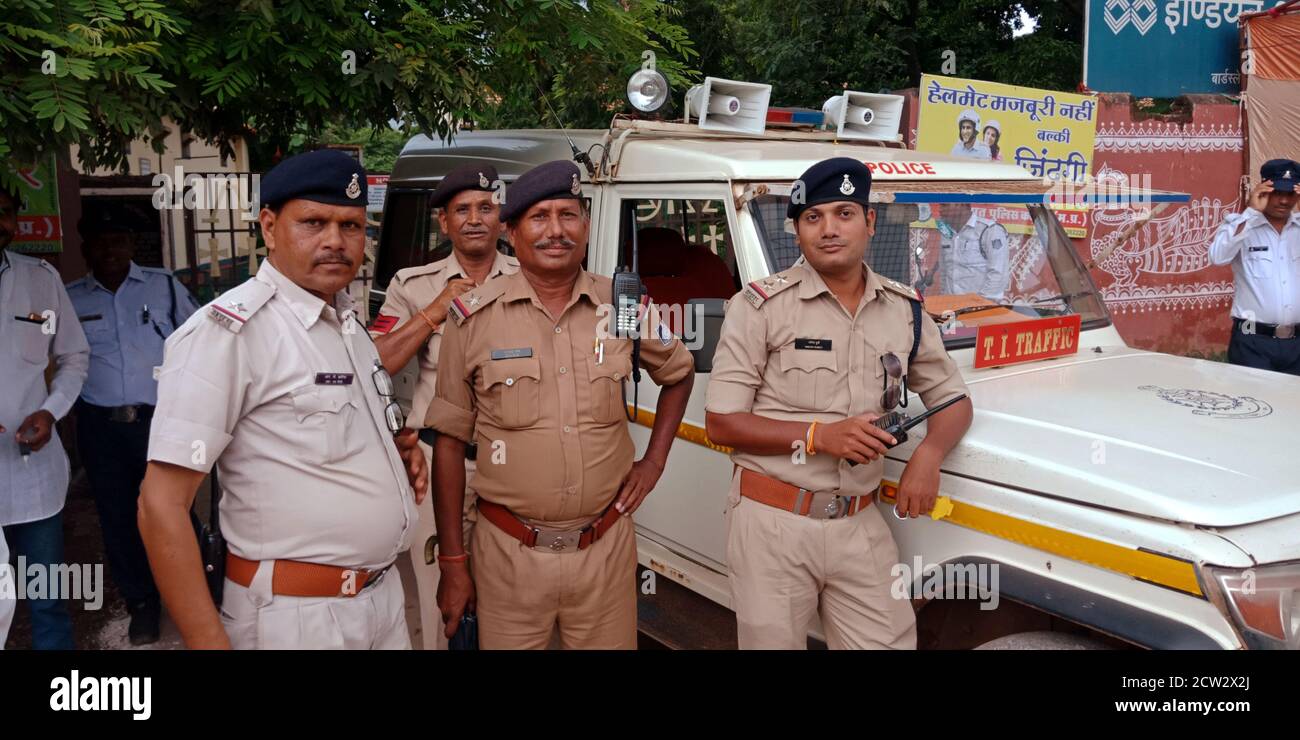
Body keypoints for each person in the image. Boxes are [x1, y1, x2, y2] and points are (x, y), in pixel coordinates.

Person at [138, 150, 427, 649]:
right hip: (296, 620)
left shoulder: (346, 324)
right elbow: (160, 505)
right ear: (269, 227)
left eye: (352, 226)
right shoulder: (228, 334)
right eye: (313, 222)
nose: (335, 241)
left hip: (379, 602)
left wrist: (391, 455)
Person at [425, 160, 695, 649]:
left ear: (586, 225)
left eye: (568, 216)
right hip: (508, 553)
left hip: (605, 552)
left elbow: (679, 372)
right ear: (511, 231)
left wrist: (653, 463)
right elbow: (448, 442)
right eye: (539, 217)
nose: (556, 231)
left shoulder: (622, 306)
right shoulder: (471, 317)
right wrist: (453, 563)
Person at [704, 158, 973, 649]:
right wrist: (818, 436)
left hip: (860, 522)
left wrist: (929, 455)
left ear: (869, 222)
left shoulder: (903, 308)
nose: (829, 229)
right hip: (775, 522)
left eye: (845, 214)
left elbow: (953, 397)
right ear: (797, 230)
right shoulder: (761, 306)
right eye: (814, 217)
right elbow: (721, 423)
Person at [370, 163, 518, 650]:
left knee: (511, 596)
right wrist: (437, 309)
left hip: (513, 461)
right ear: (444, 223)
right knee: (442, 599)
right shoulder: (413, 284)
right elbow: (377, 363)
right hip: (436, 461)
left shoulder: (529, 277)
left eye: (486, 208)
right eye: (462, 210)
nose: (475, 219)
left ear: (501, 217)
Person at [65, 202, 201, 645]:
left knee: (175, 512)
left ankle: (196, 596)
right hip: (100, 427)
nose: (111, 249)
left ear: (131, 245)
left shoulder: (163, 287)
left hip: (158, 423)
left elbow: (198, 340)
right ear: (87, 248)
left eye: (119, 240)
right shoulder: (70, 297)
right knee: (118, 519)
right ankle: (142, 604)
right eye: (101, 242)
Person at [0, 185, 90, 650]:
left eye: (5, 212)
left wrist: (51, 412)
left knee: (46, 600)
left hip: (32, 474)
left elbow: (73, 356)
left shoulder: (40, 280)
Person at [1209, 158, 1300, 374]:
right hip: (1252, 341)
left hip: (1297, 343)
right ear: (1263, 191)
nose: (1284, 201)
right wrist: (1250, 213)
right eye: (1276, 192)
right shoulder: (1241, 224)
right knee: (1256, 404)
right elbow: (1218, 257)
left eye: (1290, 194)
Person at [935, 201, 1011, 302]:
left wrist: (980, 304)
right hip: (951, 309)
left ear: (961, 204)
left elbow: (998, 274)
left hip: (979, 311)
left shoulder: (990, 231)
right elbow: (945, 271)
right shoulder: (946, 234)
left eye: (945, 205)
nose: (940, 209)